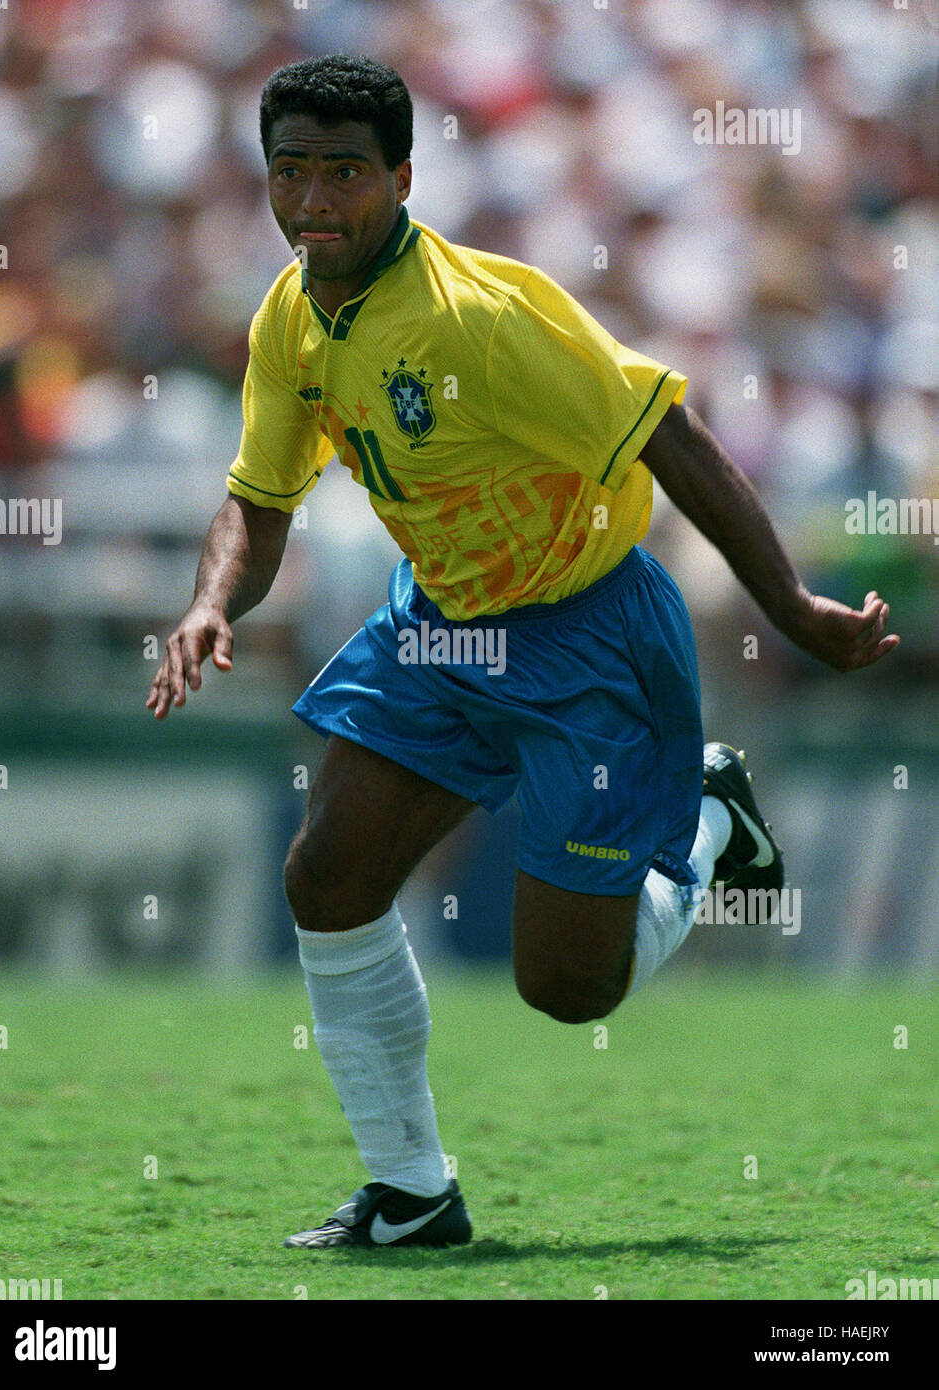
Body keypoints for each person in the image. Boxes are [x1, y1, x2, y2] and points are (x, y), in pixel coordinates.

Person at [146, 54, 899, 1249]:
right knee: (325, 875)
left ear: (401, 176)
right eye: (291, 173)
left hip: (587, 634)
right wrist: (209, 605)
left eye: (344, 174)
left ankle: (707, 814)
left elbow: (671, 437)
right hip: (441, 624)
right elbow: (258, 496)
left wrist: (792, 607)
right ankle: (411, 1191)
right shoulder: (291, 317)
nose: (314, 203)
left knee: (565, 990)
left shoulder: (480, 320)